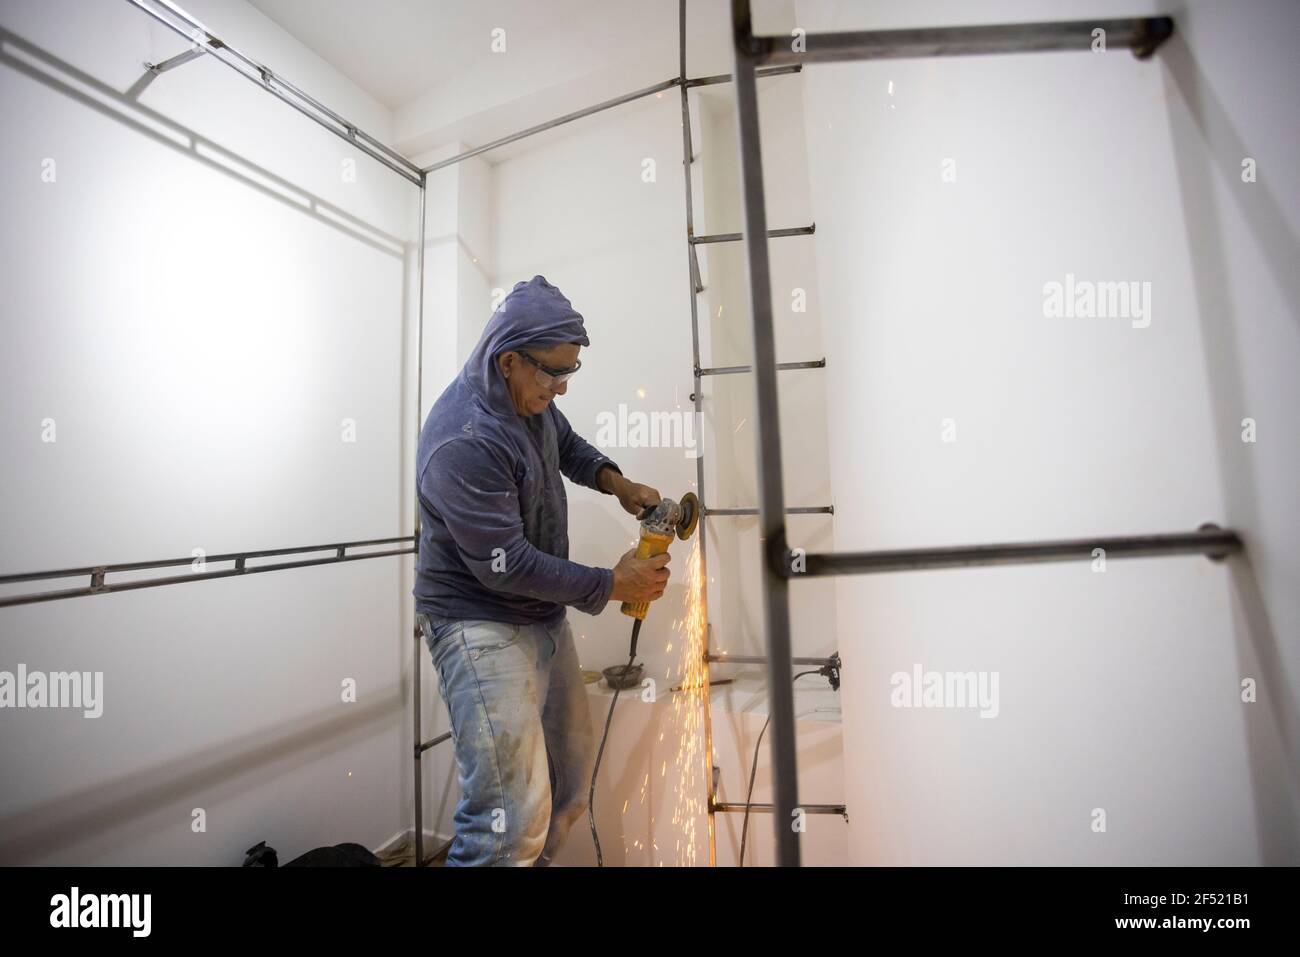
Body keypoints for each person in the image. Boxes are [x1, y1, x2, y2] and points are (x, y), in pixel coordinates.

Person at [414, 275, 670, 866]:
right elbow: (506, 567)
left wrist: (615, 482)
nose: (561, 388)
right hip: (479, 624)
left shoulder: (529, 401)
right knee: (506, 821)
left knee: (566, 786)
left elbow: (566, 443)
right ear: (509, 361)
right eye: (553, 373)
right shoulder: (464, 440)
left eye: (570, 373)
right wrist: (612, 585)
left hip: (540, 615)